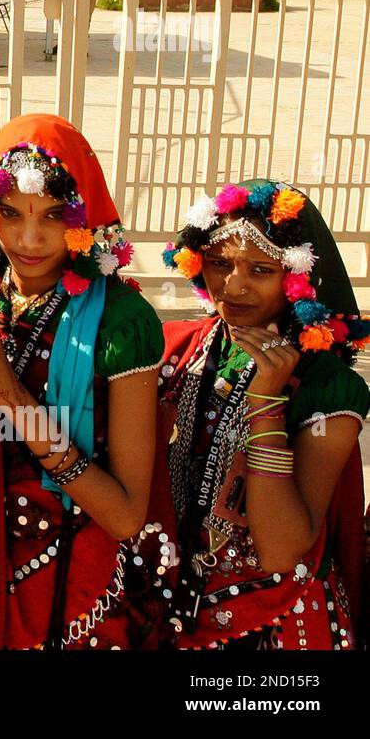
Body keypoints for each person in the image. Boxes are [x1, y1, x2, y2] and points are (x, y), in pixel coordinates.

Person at [0, 113, 169, 649]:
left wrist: (12, 397)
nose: (29, 239)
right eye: (10, 215)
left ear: (84, 220)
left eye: (54, 216)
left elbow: (126, 515)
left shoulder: (122, 323)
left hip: (69, 587)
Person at [154, 180, 369, 649]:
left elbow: (282, 550)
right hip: (169, 607)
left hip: (277, 621)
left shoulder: (324, 385)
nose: (233, 286)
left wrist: (267, 405)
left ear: (297, 278)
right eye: (218, 264)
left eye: (260, 269)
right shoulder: (178, 349)